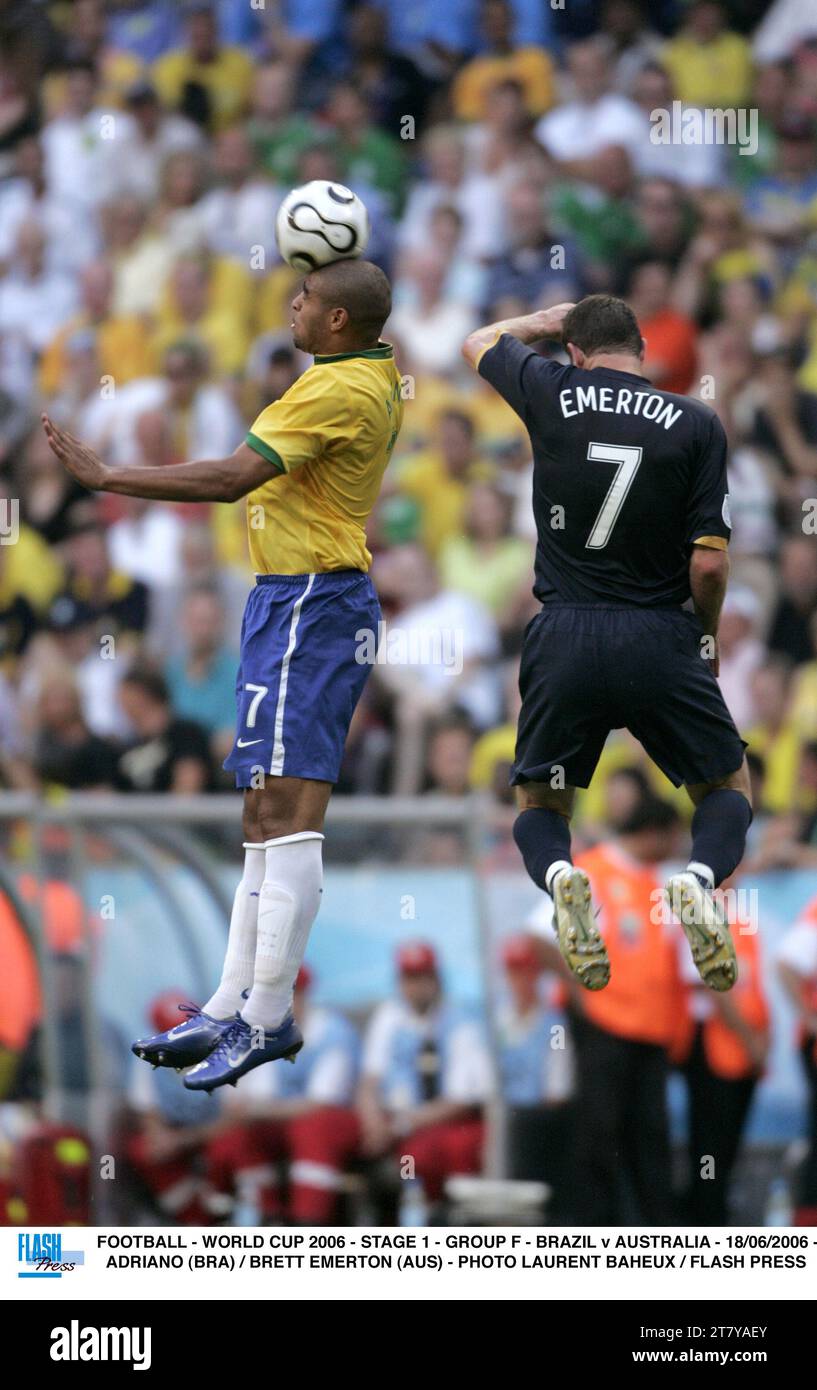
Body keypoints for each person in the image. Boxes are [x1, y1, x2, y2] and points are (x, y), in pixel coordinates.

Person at [42, 257, 402, 1091]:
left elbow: (232, 478)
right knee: (262, 810)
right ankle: (231, 1001)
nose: (293, 303)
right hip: (290, 601)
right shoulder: (365, 370)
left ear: (339, 322)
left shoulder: (333, 389)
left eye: (308, 297)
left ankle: (269, 1019)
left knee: (292, 810)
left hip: (313, 601)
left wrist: (110, 477)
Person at [462, 294, 752, 998]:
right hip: (657, 636)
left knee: (541, 803)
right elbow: (709, 563)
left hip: (563, 633)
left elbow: (476, 342)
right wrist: (703, 636)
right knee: (724, 787)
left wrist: (537, 325)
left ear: (574, 351)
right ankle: (696, 880)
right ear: (642, 353)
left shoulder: (550, 389)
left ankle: (561, 877)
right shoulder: (695, 422)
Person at [528, 795, 687, 1224]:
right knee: (598, 1135)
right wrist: (581, 996)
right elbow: (539, 936)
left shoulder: (659, 882)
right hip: (604, 1029)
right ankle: (592, 1231)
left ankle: (655, 1234)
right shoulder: (593, 871)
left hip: (651, 1035)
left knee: (651, 1139)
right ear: (655, 832)